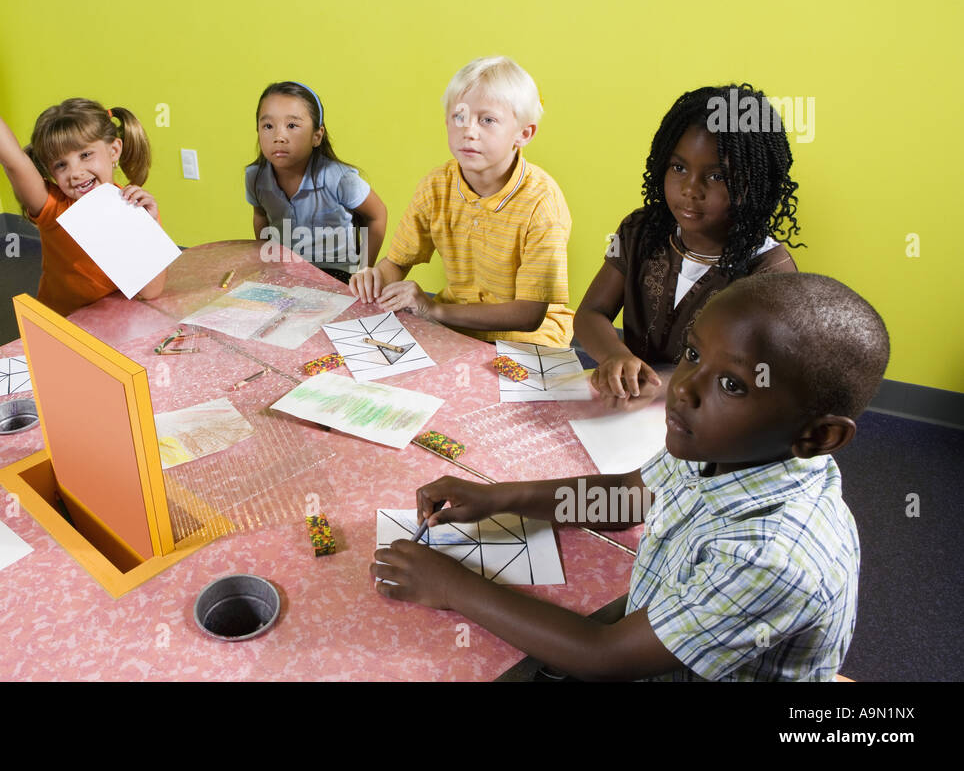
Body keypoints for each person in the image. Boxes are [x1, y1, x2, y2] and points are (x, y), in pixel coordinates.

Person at [373, 273, 889, 681]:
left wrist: (452, 586)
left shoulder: (773, 557)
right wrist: (494, 498)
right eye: (692, 355)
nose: (683, 388)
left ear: (819, 437)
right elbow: (624, 498)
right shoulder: (725, 445)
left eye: (732, 384)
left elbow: (606, 657)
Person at [576, 84, 801, 402]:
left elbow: (748, 375)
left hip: (709, 419)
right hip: (626, 405)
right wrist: (614, 354)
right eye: (679, 168)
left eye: (717, 177)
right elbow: (591, 313)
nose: (690, 190)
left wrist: (653, 387)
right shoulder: (641, 230)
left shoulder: (769, 271)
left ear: (754, 184)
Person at [348, 55, 573, 346]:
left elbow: (529, 315)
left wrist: (433, 309)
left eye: (488, 120)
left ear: (523, 133)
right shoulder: (436, 185)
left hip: (530, 339)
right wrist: (374, 277)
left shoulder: (542, 203)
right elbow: (397, 263)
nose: (469, 131)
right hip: (455, 323)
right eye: (459, 117)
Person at [0, 35, 165, 316]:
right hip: (64, 325)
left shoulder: (132, 207)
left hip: (116, 320)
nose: (75, 173)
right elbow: (13, 161)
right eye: (61, 165)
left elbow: (152, 292)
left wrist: (149, 226)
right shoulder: (53, 207)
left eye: (85, 155)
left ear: (114, 150)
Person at [246, 81, 388, 282]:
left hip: (333, 273)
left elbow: (377, 215)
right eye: (268, 126)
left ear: (317, 136)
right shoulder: (255, 177)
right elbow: (260, 215)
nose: (279, 136)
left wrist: (364, 270)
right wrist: (266, 260)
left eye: (292, 125)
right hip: (284, 270)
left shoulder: (339, 179)